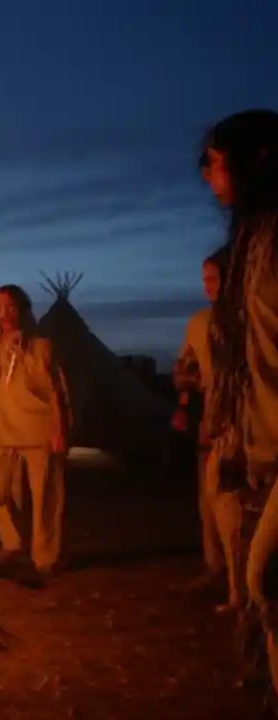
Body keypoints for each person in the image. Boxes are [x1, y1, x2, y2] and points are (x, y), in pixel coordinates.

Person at [198, 109, 278, 696]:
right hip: (262, 444)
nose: (207, 175)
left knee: (266, 577)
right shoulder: (254, 239)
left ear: (259, 161)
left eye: (216, 161)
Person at [0, 285, 70, 581]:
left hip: (39, 430)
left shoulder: (41, 347)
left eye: (11, 307)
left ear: (23, 310)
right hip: (4, 430)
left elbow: (57, 393)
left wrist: (60, 431)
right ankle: (12, 542)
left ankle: (45, 558)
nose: (4, 314)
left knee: (44, 498)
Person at [173, 250, 244, 609]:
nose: (207, 288)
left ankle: (241, 586)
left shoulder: (246, 320)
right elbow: (185, 365)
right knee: (209, 504)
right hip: (211, 424)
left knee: (234, 508)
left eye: (213, 280)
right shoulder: (199, 323)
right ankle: (216, 568)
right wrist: (186, 398)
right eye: (204, 280)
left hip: (244, 425)